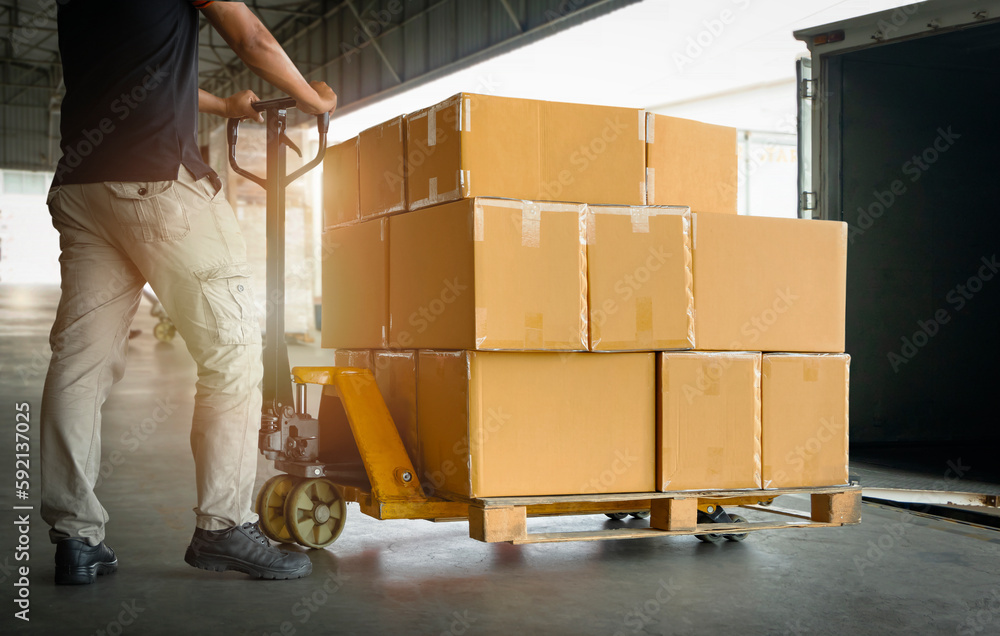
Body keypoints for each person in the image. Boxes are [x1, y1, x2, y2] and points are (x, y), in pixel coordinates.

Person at [42, 0, 336, 584]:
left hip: (83, 185)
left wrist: (223, 106)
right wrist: (313, 97)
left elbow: (130, 76)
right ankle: (222, 527)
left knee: (79, 367)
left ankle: (75, 539)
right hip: (155, 180)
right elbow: (250, 36)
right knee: (231, 352)